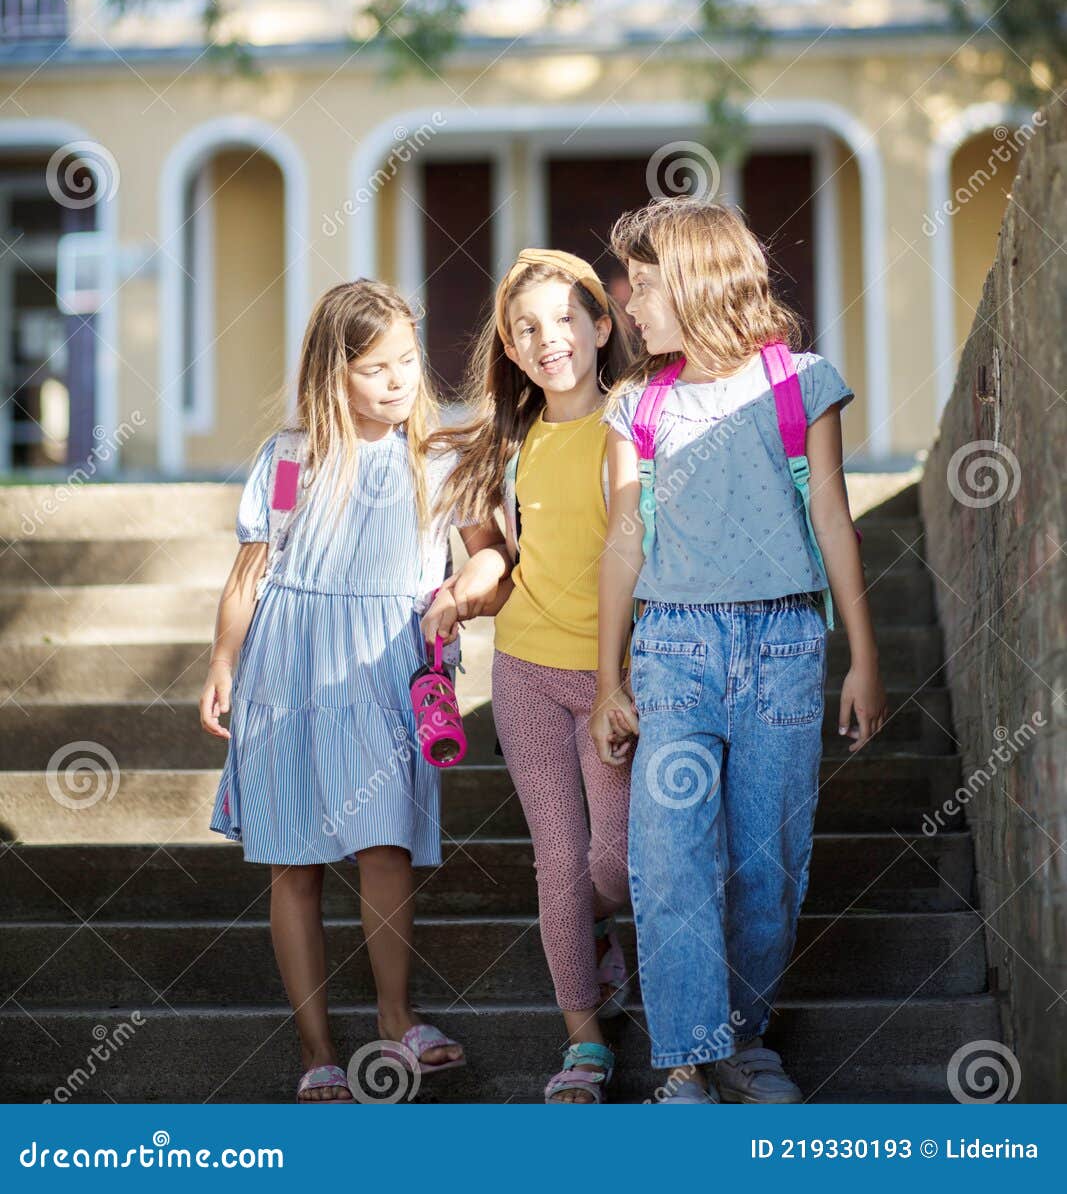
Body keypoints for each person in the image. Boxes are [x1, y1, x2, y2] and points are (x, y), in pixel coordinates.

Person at [592, 198, 888, 1104]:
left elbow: (833, 520)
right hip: (673, 648)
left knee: (769, 859)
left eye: (643, 287)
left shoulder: (798, 384)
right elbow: (621, 542)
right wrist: (608, 679)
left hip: (785, 645)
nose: (629, 306)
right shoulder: (635, 404)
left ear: (694, 279)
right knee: (669, 856)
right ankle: (685, 1054)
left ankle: (744, 1039)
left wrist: (864, 659)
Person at [202, 280, 505, 1102]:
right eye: (375, 369)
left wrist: (463, 589)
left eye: (407, 361)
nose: (398, 381)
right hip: (289, 668)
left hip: (385, 670)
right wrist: (224, 661)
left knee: (384, 844)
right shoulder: (294, 461)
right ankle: (314, 1052)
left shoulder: (436, 457)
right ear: (333, 375)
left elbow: (489, 556)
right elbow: (254, 569)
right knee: (295, 862)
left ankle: (396, 1018)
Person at [428, 249, 639, 1103]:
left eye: (562, 321)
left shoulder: (636, 423)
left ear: (599, 327)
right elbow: (491, 562)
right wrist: (463, 591)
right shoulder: (504, 448)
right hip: (524, 674)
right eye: (526, 330)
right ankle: (583, 1042)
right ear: (510, 352)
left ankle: (592, 948)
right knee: (557, 864)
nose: (546, 339)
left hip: (614, 678)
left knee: (615, 862)